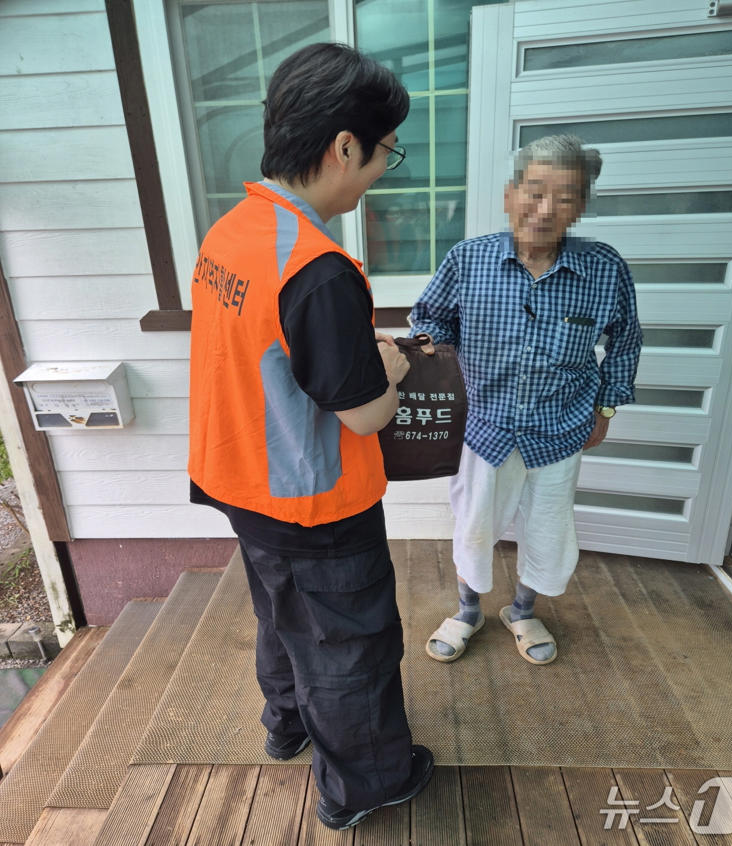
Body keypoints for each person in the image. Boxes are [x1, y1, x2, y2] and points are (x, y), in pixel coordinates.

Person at [187, 43, 433, 831]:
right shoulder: (319, 267)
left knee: (282, 614)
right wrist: (389, 368)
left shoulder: (234, 230)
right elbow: (365, 414)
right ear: (344, 146)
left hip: (240, 481)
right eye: (386, 151)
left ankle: (286, 726)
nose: (380, 169)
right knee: (349, 647)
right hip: (314, 500)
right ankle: (364, 784)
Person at [409, 134, 642, 666]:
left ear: (579, 207)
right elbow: (431, 317)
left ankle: (522, 609)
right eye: (534, 192)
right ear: (510, 195)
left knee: (547, 526)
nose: (544, 209)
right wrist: (436, 360)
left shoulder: (604, 269)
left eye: (564, 197)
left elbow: (626, 338)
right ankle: (468, 609)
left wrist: (606, 407)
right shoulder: (469, 260)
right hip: (482, 424)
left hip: (562, 427)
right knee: (474, 523)